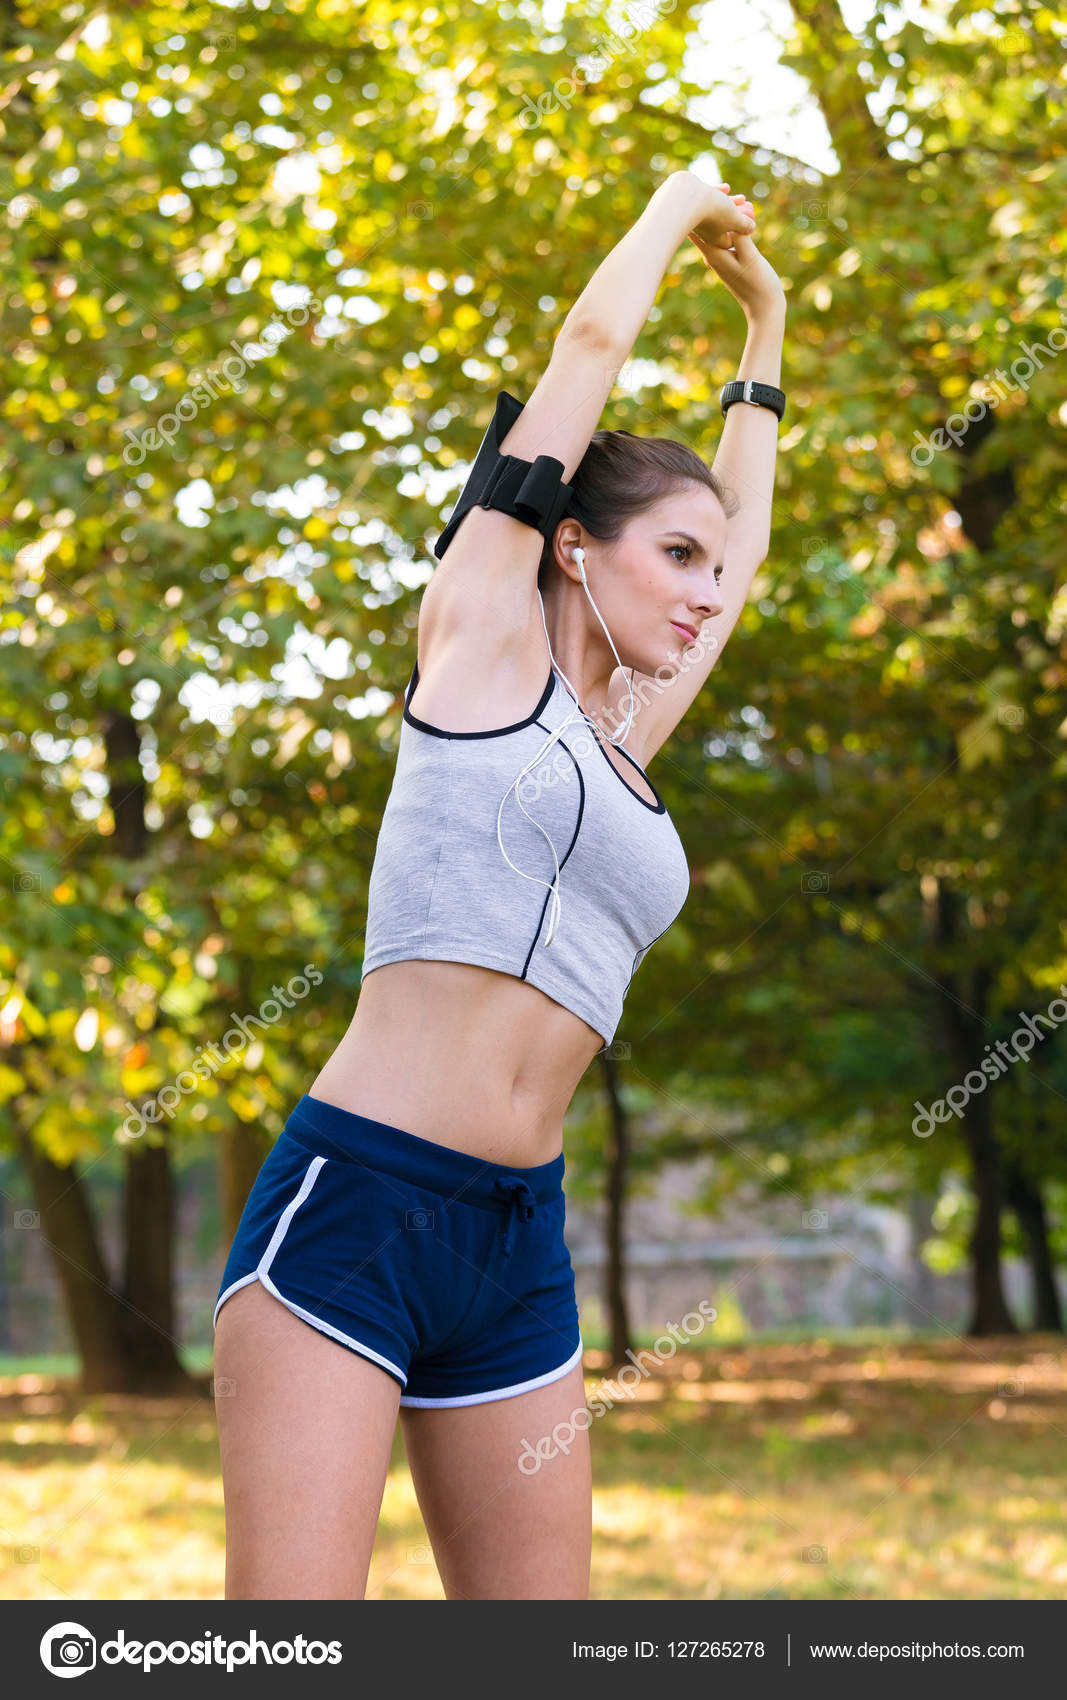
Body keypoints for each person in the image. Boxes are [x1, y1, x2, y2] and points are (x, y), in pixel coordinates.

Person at [212, 166, 786, 1601]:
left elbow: (752, 551)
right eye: (679, 556)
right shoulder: (478, 651)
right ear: (573, 546)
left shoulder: (623, 736)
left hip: (519, 1245)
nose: (709, 592)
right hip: (358, 1212)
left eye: (713, 568)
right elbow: (584, 358)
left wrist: (763, 332)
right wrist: (675, 212)